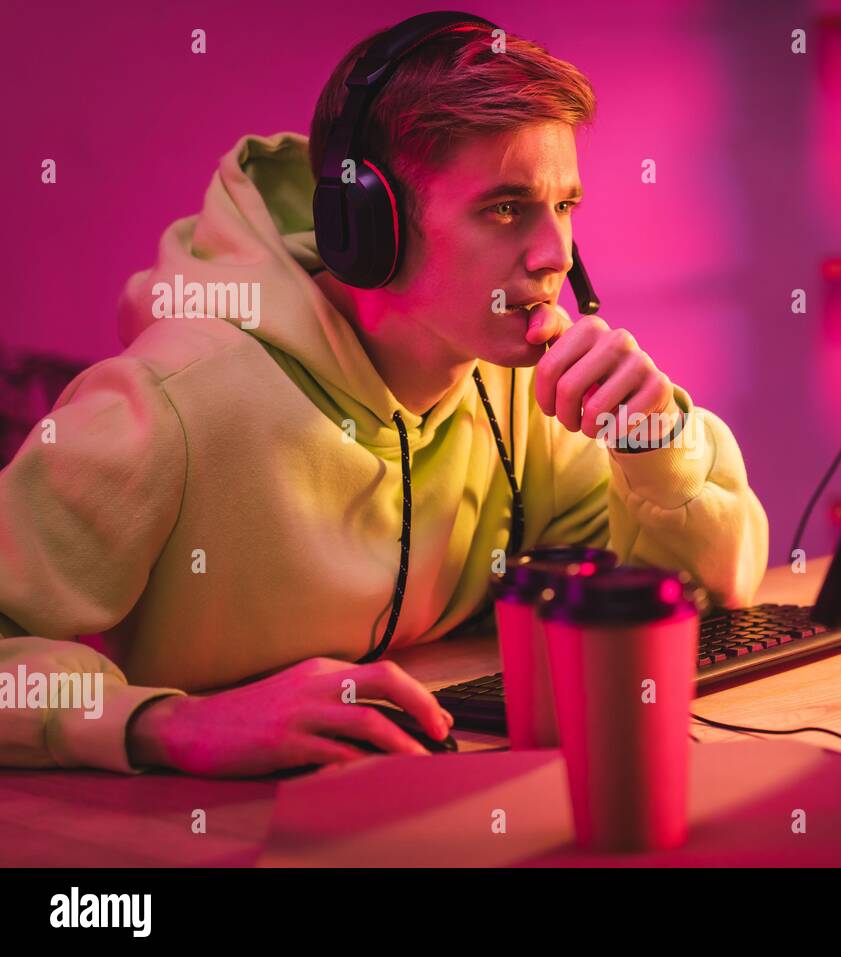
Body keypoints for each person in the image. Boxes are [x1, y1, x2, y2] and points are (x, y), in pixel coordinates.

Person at [0, 21, 769, 777]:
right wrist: (174, 723)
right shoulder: (170, 404)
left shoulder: (523, 384)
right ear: (370, 227)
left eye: (564, 206)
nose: (554, 255)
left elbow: (700, 595)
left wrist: (660, 448)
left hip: (422, 806)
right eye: (506, 207)